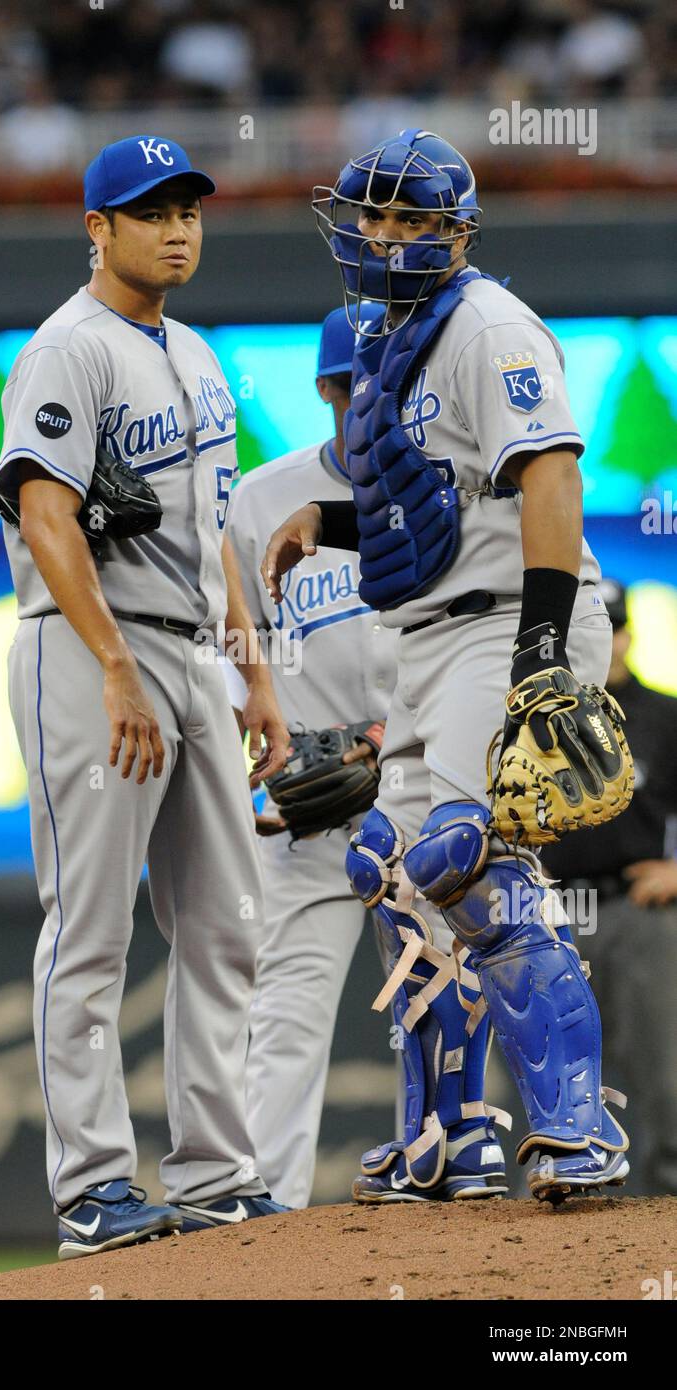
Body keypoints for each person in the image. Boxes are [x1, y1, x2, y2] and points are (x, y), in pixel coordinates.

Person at [261, 128, 630, 1205]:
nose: (382, 233)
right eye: (373, 214)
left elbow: (551, 478)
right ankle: (449, 1134)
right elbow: (427, 502)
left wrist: (542, 657)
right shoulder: (391, 336)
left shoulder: (487, 325)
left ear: (455, 231)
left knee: (462, 858)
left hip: (507, 619)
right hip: (424, 632)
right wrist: (322, 520)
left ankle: (574, 1123)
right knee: (388, 868)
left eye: (409, 218)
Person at [0, 134, 290, 1258]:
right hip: (84, 651)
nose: (177, 226)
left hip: (189, 661)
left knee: (224, 922)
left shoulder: (199, 356)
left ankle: (215, 1172)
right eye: (149, 209)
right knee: (92, 931)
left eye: (189, 209)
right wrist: (114, 662)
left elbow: (211, 537)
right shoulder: (66, 351)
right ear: (96, 227)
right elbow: (43, 515)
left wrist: (254, 673)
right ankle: (94, 1191)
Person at [223, 307, 398, 1208]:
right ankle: (262, 1213)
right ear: (328, 388)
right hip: (312, 800)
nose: (371, 395)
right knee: (286, 1011)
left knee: (451, 993)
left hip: (424, 787)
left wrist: (387, 734)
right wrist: (257, 755)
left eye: (390, 374)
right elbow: (228, 645)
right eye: (355, 381)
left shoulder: (451, 483)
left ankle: (451, 1177)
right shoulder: (260, 498)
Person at [542, 579, 677, 1194]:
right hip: (552, 915)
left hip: (636, 911)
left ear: (629, 635)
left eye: (617, 628)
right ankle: (547, 1241)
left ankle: (661, 1225)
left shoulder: (664, 715)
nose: (611, 641)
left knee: (664, 1079)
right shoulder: (536, 725)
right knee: (551, 1085)